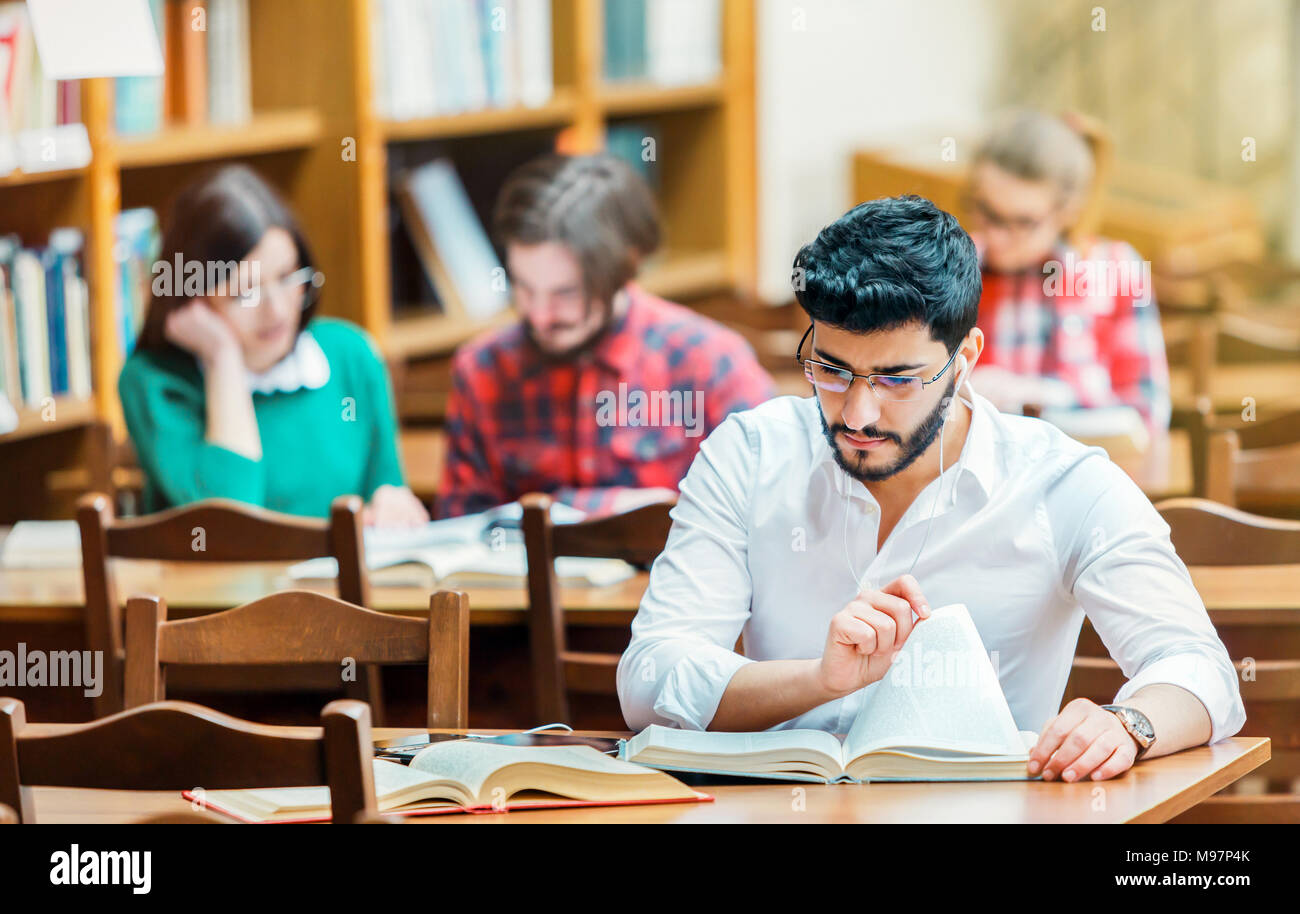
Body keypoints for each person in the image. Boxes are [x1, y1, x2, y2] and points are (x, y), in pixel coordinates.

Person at [618, 195, 1243, 783]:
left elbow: (1202, 670)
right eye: (832, 370)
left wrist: (1127, 725)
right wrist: (819, 679)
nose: (858, 414)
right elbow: (649, 680)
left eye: (896, 380)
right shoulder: (750, 455)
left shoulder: (1063, 483)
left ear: (965, 357)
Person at [436, 153, 776, 518]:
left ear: (623, 269)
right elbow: (462, 528)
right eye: (522, 287)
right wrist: (614, 510)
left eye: (566, 293)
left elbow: (765, 512)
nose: (539, 315)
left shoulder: (708, 363)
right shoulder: (483, 369)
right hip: (524, 576)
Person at [119, 164, 428, 525]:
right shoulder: (156, 383)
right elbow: (227, 522)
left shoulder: (351, 355)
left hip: (333, 582)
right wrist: (223, 359)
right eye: (245, 292)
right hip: (215, 582)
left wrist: (396, 510)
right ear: (192, 299)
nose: (277, 310)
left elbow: (387, 492)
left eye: (287, 277)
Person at [965, 110, 1171, 431]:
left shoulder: (1115, 269)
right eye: (987, 212)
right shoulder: (959, 265)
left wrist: (1040, 395)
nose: (996, 235)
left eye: (1022, 222)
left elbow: (1149, 409)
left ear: (1068, 212)